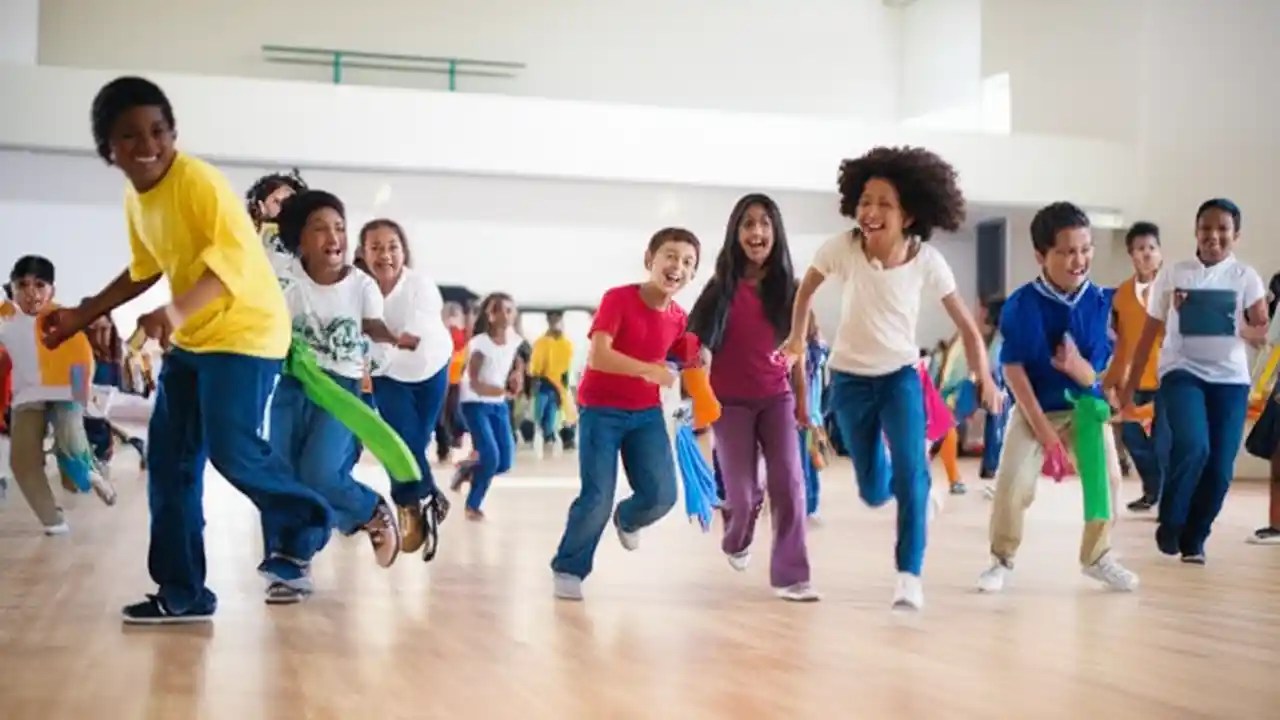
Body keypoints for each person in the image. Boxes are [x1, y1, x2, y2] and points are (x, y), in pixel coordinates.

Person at [44, 76, 336, 623]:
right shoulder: (138, 199)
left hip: (246, 331)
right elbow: (143, 270)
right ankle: (183, 593)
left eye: (158, 130)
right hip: (197, 339)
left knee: (232, 450)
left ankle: (316, 515)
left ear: (174, 132)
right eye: (129, 136)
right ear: (109, 149)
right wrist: (80, 316)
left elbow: (226, 269)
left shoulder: (197, 182)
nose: (148, 144)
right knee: (170, 466)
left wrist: (173, 313)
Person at [780, 146, 1000, 610]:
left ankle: (909, 575)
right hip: (850, 379)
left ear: (909, 214)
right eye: (865, 200)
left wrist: (983, 373)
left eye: (884, 203)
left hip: (901, 376)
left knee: (910, 469)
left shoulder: (927, 261)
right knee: (873, 489)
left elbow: (965, 324)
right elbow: (806, 292)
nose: (871, 211)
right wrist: (797, 340)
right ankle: (920, 494)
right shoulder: (842, 248)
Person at [975, 202, 1138, 594]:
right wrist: (1045, 433)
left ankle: (1098, 557)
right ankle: (1001, 559)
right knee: (1013, 484)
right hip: (1036, 409)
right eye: (1066, 251)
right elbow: (1013, 370)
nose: (1078, 259)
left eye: (1085, 249)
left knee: (1109, 481)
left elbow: (1097, 375)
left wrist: (1083, 372)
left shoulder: (1102, 301)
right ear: (1041, 255)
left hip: (1084, 409)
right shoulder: (1023, 304)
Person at [269, 190, 413, 596]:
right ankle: (290, 565)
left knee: (319, 473)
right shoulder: (287, 284)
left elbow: (377, 334)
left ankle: (368, 510)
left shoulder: (361, 285)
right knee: (281, 474)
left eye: (339, 228)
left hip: (343, 391)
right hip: (292, 386)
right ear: (301, 240)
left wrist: (378, 365)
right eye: (320, 229)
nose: (333, 236)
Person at [550, 228, 701, 601]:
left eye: (687, 262)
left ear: (693, 275)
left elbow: (686, 357)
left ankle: (628, 518)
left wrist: (700, 369)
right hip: (600, 410)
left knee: (663, 495)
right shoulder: (617, 299)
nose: (677, 266)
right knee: (597, 495)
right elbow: (599, 356)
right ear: (650, 259)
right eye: (670, 256)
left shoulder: (679, 317)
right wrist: (650, 371)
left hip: (646, 414)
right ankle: (569, 567)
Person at [1120, 198, 1268, 563]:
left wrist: (1232, 322)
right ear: (1196, 230)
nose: (1214, 236)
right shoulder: (1173, 273)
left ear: (1236, 235)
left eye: (1223, 230)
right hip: (1181, 372)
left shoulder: (1245, 277)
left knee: (1220, 469)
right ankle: (1170, 521)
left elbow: (1261, 332)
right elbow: (1148, 334)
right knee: (1193, 446)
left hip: (1230, 380)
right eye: (1206, 228)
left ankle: (1195, 536)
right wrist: (1128, 387)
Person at [687, 193, 818, 602]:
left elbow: (798, 352)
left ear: (775, 233)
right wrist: (696, 395)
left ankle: (792, 576)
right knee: (742, 496)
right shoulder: (718, 289)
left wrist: (802, 401)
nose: (757, 232)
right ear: (736, 234)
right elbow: (696, 345)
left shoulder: (792, 291)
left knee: (789, 482)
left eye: (765, 223)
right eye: (748, 224)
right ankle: (736, 537)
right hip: (730, 404)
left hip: (776, 399)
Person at [358, 218, 456, 558]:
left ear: (404, 251)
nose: (385, 255)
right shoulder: (359, 288)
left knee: (416, 441)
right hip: (388, 374)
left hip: (430, 368)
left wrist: (372, 334)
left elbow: (411, 339)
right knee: (399, 442)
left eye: (392, 247)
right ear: (363, 252)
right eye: (376, 248)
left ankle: (420, 497)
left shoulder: (421, 285)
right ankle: (415, 499)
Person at [1, 255, 117, 533]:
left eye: (40, 285)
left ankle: (86, 470)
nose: (31, 292)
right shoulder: (6, 318)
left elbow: (82, 356)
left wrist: (81, 397)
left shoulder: (64, 318)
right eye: (23, 285)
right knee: (22, 460)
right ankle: (53, 520)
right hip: (28, 397)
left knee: (70, 440)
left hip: (65, 391)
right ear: (13, 287)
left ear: (52, 289)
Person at [1104, 221, 1167, 512]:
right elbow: (1119, 341)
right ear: (1131, 254)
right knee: (1132, 437)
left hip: (1167, 377)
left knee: (1165, 443)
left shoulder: (1173, 290)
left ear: (1160, 252)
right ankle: (1152, 490)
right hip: (1133, 380)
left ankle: (1167, 498)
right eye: (1140, 249)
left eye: (1152, 248)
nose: (1146, 254)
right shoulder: (1121, 296)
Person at [455, 293, 522, 519]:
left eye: (510, 310)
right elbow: (474, 383)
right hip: (474, 403)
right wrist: (502, 390)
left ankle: (468, 469)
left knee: (503, 462)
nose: (506, 315)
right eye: (500, 310)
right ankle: (472, 505)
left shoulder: (514, 339)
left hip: (497, 405)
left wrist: (517, 375)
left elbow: (517, 358)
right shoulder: (480, 344)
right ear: (490, 315)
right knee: (491, 456)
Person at [529, 311, 574, 456]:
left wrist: (565, 387)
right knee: (540, 414)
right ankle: (547, 437)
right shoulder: (541, 343)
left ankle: (550, 438)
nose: (555, 322)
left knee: (551, 414)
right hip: (544, 383)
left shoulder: (566, 344)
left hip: (556, 385)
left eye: (557, 318)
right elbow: (535, 367)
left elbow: (567, 368)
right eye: (552, 318)